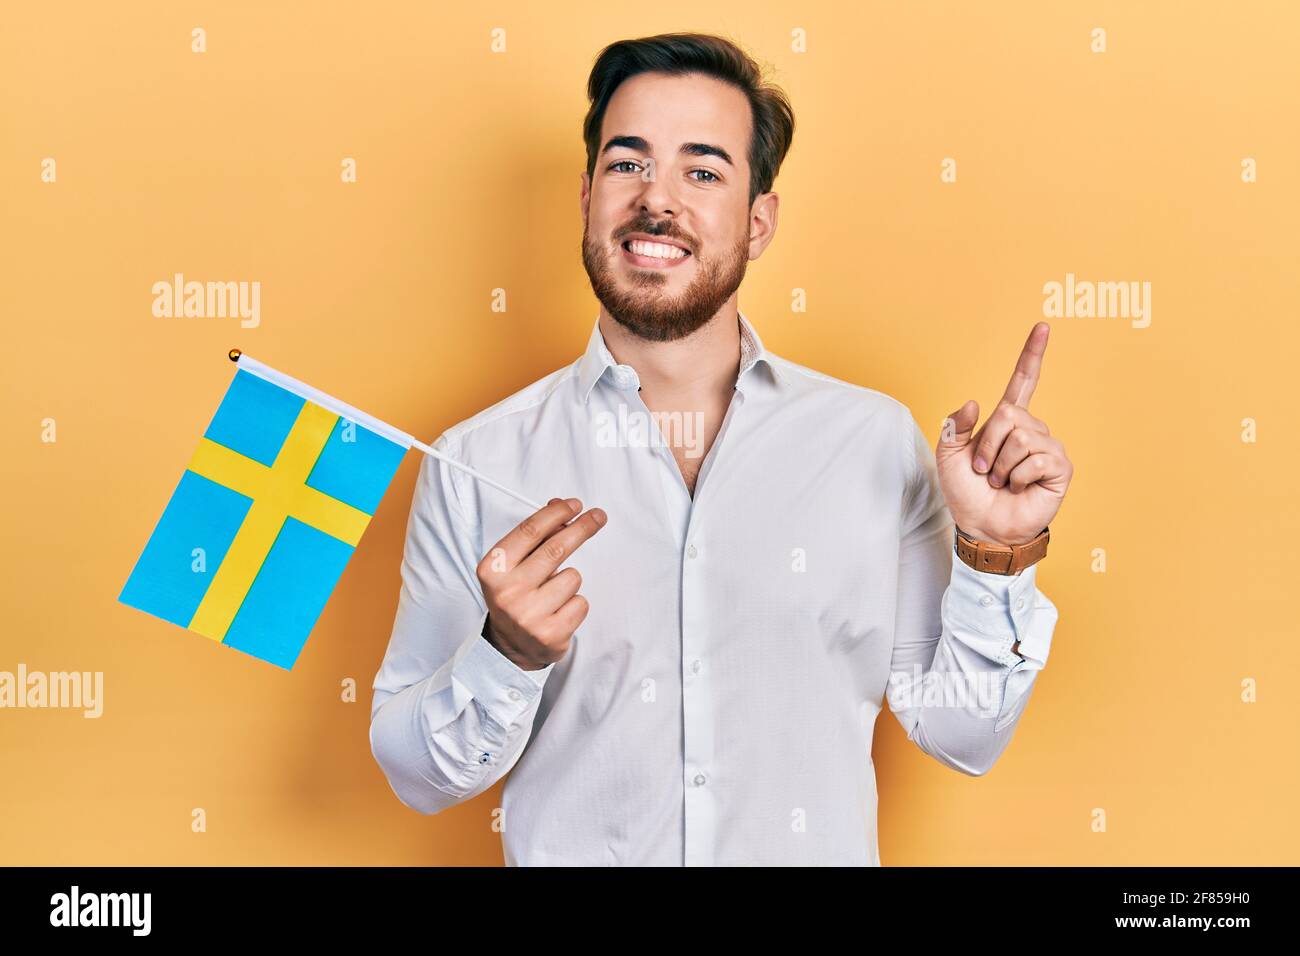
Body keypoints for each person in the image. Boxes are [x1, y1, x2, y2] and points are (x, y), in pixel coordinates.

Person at [368, 32, 1073, 865]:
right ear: (588, 194)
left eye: (702, 172)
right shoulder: (476, 460)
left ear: (759, 220)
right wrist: (505, 656)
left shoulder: (871, 442)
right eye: (628, 164)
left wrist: (995, 553)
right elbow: (417, 776)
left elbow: (963, 733)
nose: (656, 202)